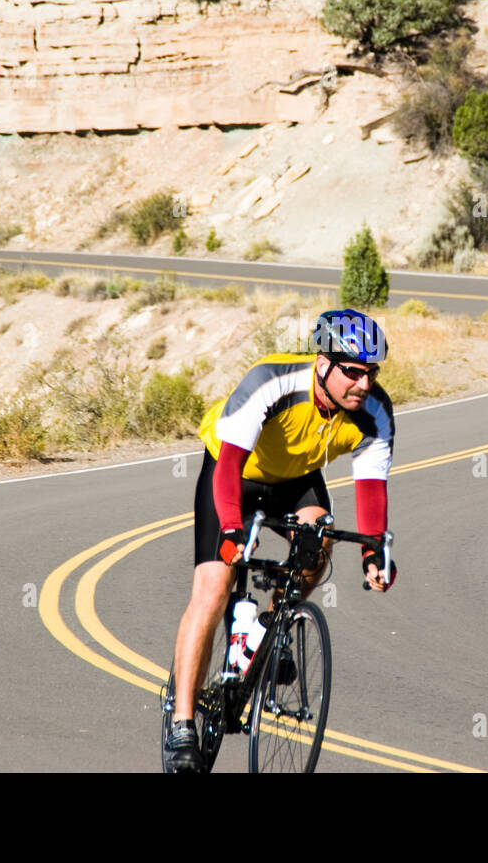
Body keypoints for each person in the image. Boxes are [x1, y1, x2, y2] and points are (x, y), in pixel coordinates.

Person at [163, 308, 398, 772]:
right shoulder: (273, 381)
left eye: (371, 373)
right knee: (212, 589)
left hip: (294, 476)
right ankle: (183, 722)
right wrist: (231, 529)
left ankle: (269, 627)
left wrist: (375, 549)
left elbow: (372, 488)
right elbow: (228, 465)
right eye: (352, 372)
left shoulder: (374, 412)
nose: (363, 385)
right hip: (236, 471)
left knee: (321, 536)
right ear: (323, 363)